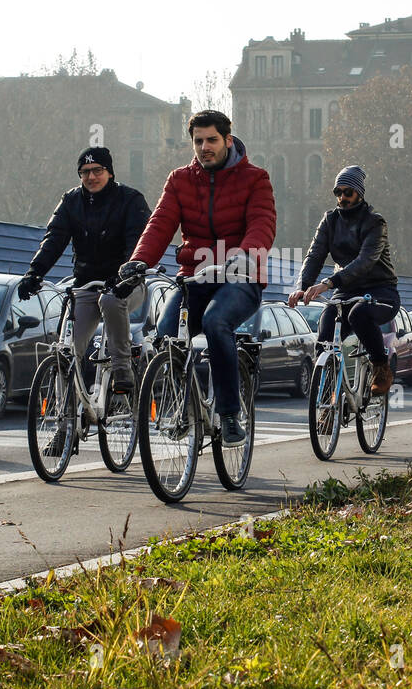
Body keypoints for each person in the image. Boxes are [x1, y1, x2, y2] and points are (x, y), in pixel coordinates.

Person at [118, 110, 276, 446]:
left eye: (212, 140)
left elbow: (262, 223)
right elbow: (160, 224)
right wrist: (139, 261)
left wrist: (246, 253)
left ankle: (231, 415)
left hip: (240, 275)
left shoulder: (255, 178)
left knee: (216, 322)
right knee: (164, 336)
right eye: (198, 141)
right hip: (195, 276)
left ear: (228, 141)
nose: (205, 147)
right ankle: (185, 406)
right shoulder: (180, 180)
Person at [18, 147, 151, 393]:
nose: (91, 177)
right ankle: (64, 419)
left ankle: (122, 368)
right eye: (84, 172)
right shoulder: (71, 201)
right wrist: (34, 273)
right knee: (67, 350)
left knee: (111, 301)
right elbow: (54, 240)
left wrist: (127, 274)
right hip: (86, 284)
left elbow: (138, 242)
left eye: (97, 170)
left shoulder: (130, 200)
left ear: (109, 172)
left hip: (125, 284)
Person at [288, 165, 400, 397]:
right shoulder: (329, 221)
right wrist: (302, 287)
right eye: (337, 192)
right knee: (325, 334)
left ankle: (381, 368)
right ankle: (329, 403)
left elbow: (364, 262)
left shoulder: (375, 223)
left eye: (347, 192)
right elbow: (314, 255)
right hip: (345, 291)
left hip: (380, 292)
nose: (342, 198)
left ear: (359, 193)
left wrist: (328, 283)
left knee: (358, 314)